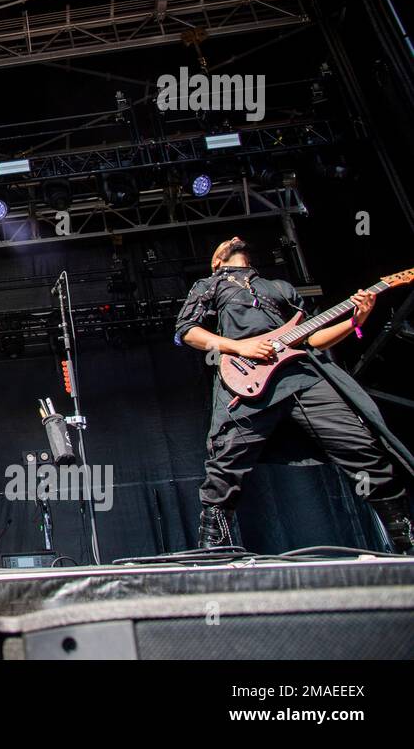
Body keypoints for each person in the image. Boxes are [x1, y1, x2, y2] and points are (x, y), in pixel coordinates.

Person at [175, 236, 413, 553]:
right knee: (225, 463)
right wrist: (239, 346)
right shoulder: (209, 285)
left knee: (363, 448)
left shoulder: (280, 287)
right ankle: (214, 551)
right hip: (248, 382)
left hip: (302, 377)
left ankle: (405, 540)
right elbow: (187, 331)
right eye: (224, 243)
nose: (232, 240)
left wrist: (357, 320)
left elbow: (314, 339)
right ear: (216, 261)